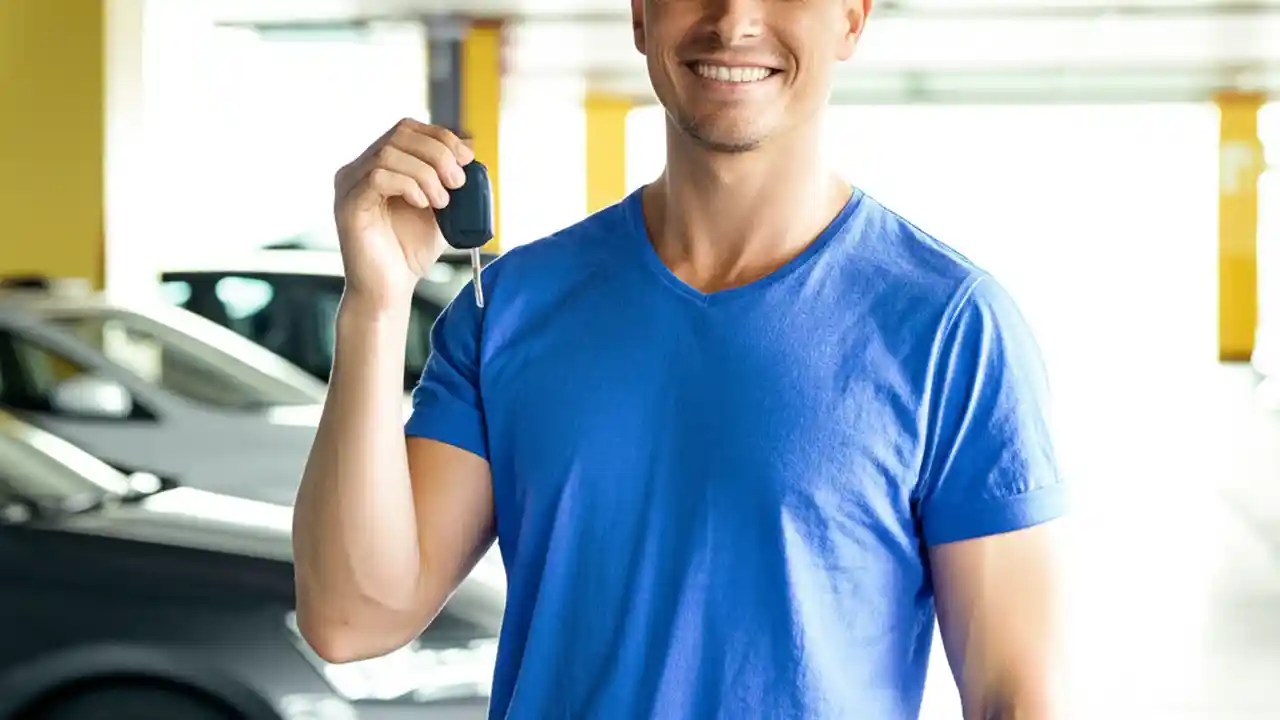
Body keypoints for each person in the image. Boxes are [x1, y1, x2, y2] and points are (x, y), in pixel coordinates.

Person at [291, 1, 1069, 718]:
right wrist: (376, 305)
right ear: (640, 14)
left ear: (852, 19)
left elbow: (1012, 695)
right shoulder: (512, 311)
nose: (733, 22)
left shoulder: (949, 326)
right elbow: (352, 618)